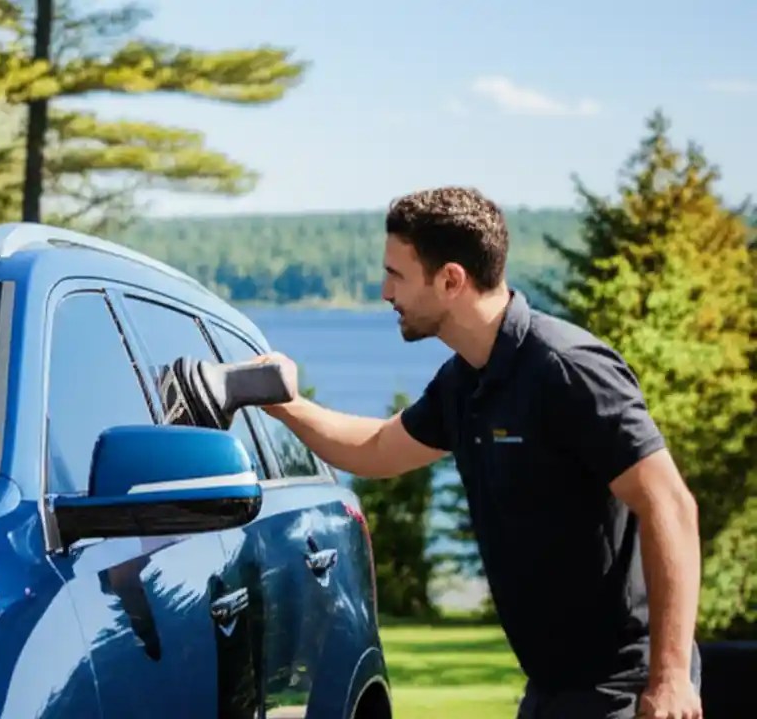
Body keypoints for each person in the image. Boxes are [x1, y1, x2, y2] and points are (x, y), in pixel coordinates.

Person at [252, 187, 704, 719]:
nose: (384, 291)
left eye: (396, 274)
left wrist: (671, 678)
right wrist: (283, 405)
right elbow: (378, 450)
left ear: (450, 281)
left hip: (624, 686)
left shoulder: (566, 368)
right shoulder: (464, 382)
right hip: (551, 689)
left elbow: (670, 506)